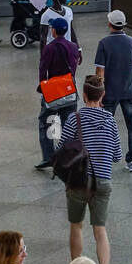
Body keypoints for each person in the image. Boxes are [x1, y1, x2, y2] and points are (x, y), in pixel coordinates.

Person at [50, 75, 120, 264]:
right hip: (102, 182)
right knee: (100, 230)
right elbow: (117, 155)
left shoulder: (74, 119)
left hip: (78, 182)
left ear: (84, 95)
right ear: (103, 96)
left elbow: (61, 148)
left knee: (76, 227)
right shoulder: (110, 120)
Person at [94, 9, 132, 172]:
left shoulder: (104, 43)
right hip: (129, 92)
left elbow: (100, 72)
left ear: (109, 24)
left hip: (109, 93)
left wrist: (99, 92)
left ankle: (102, 159)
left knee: (104, 126)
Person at [36, 17, 81, 170]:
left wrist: (42, 85)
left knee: (46, 122)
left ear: (53, 30)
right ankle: (69, 157)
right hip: (69, 91)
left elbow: (43, 69)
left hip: (53, 93)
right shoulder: (73, 46)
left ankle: (49, 157)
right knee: (69, 124)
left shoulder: (49, 48)